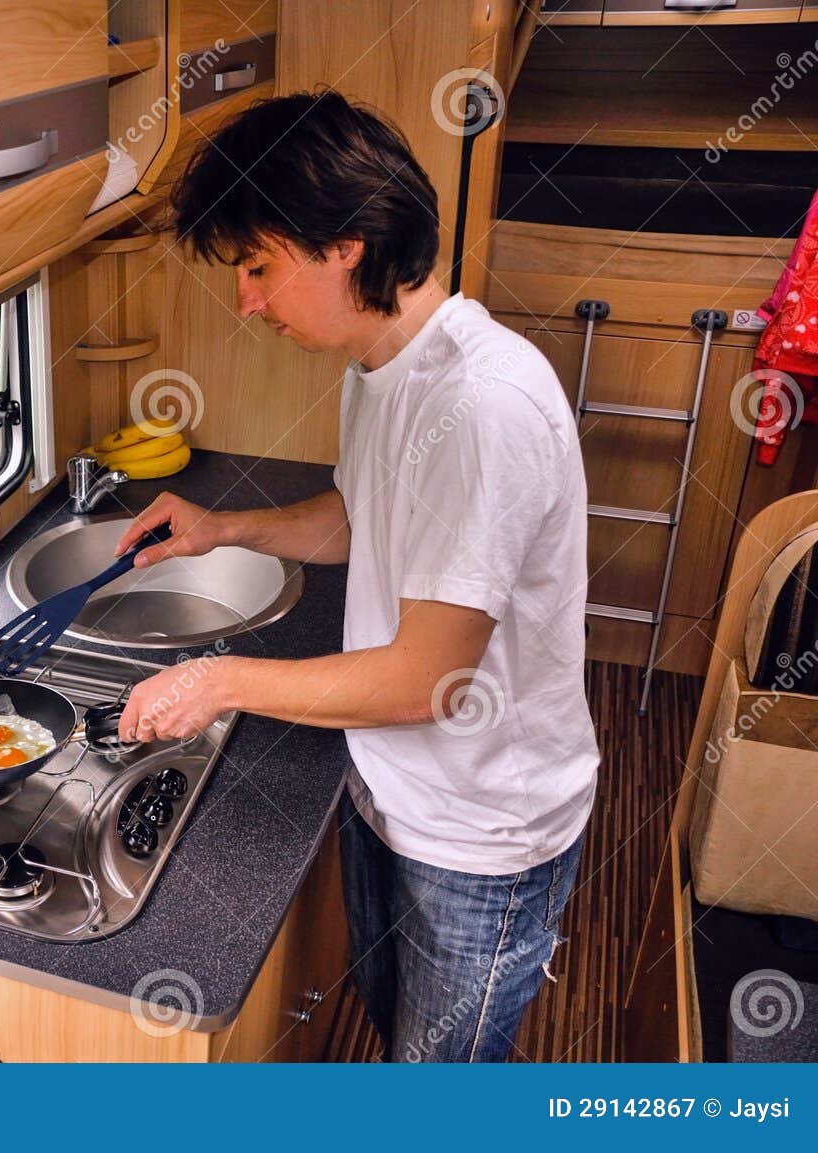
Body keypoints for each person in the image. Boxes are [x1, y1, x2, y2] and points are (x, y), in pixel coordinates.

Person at [113, 90, 598, 1062]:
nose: (247, 302)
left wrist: (217, 680)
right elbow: (361, 513)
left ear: (344, 244)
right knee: (392, 1027)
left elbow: (426, 679)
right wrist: (222, 528)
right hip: (392, 789)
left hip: (481, 833)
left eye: (258, 267)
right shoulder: (382, 367)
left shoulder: (482, 405)